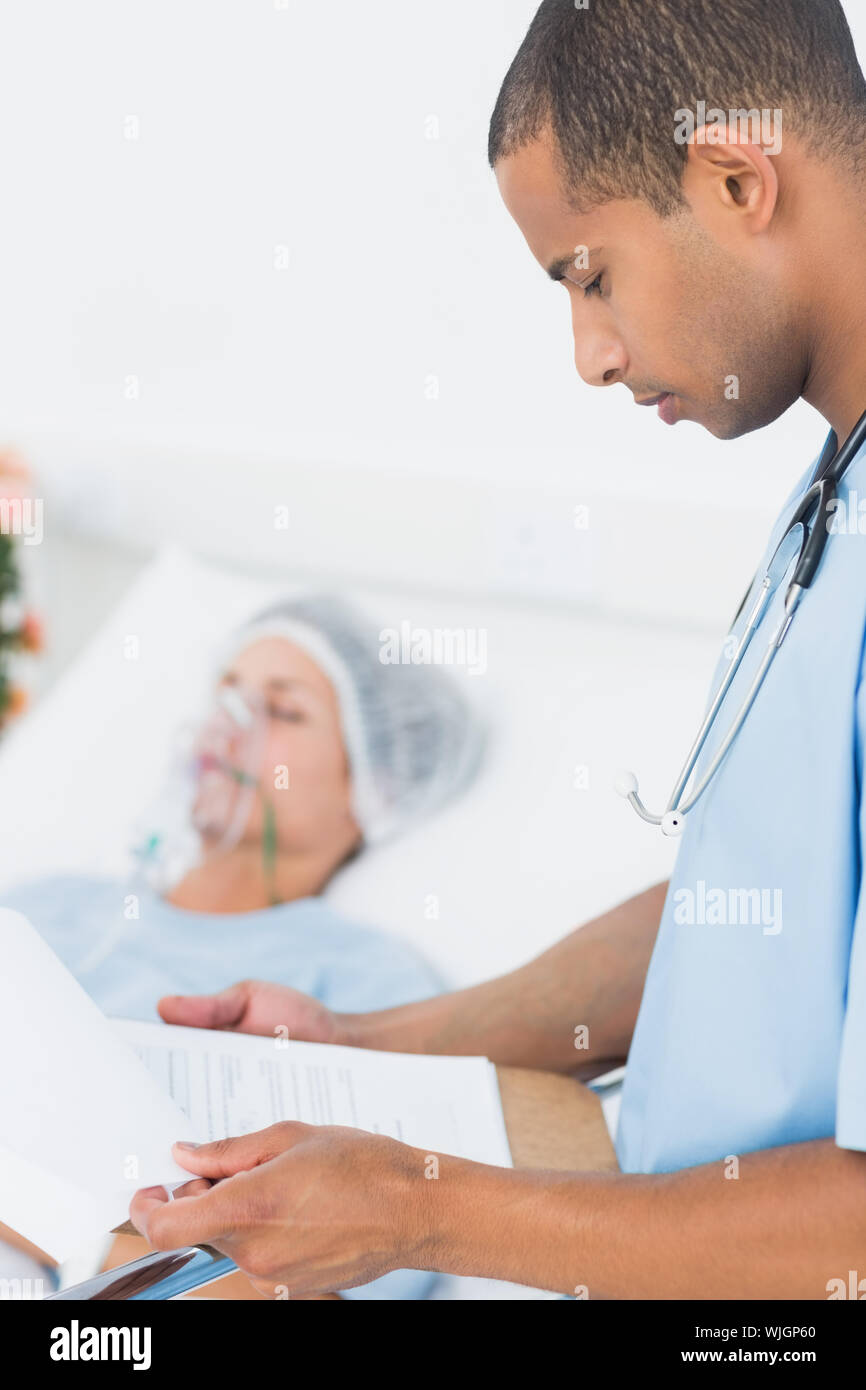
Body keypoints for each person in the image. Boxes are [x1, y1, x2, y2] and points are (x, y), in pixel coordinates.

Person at [129, 0, 866, 1299]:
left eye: (588, 274)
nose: (586, 353)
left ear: (739, 180)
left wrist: (420, 1214)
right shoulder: (833, 500)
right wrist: (362, 1046)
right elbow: (754, 914)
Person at [2, 592, 484, 1299]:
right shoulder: (44, 905)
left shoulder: (371, 991)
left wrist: (64, 1232)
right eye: (226, 696)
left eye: (283, 712)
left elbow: (322, 1286)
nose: (229, 729)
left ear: (373, 785)